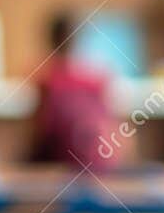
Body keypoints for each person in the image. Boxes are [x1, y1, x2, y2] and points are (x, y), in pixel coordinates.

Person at [31, 11, 115, 170]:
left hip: (60, 162)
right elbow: (111, 122)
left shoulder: (46, 79)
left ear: (52, 40)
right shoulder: (98, 77)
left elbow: (41, 130)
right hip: (99, 163)